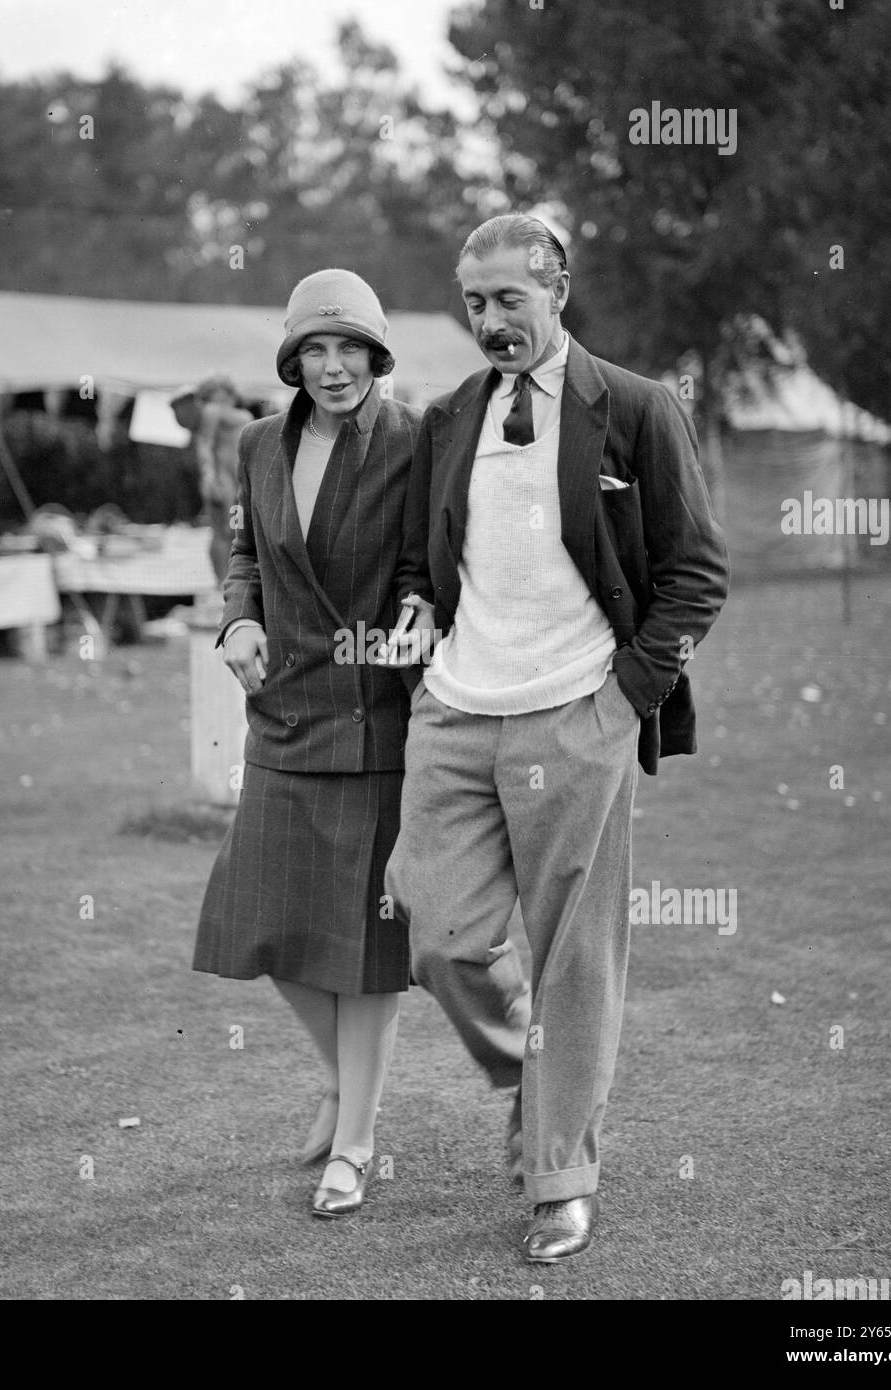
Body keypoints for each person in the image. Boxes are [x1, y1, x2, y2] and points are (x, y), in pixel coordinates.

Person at [386, 214, 730, 1262]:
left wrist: (624, 697)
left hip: (575, 713)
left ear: (558, 291)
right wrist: (410, 607)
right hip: (452, 711)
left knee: (574, 959)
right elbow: (418, 554)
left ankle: (559, 1179)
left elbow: (694, 571)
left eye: (508, 301)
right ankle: (534, 1081)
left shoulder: (632, 409)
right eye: (474, 303)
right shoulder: (448, 418)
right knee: (438, 934)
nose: (489, 322)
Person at [192, 269, 427, 1218]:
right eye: (315, 351)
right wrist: (236, 623)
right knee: (268, 924)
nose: (333, 367)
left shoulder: (416, 439)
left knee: (366, 946)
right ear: (292, 360)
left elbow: (427, 561)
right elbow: (246, 554)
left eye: (350, 349)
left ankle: (358, 1143)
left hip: (377, 709)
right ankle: (341, 1084)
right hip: (284, 708)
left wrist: (419, 608)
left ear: (376, 355)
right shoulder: (258, 442)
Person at [171, 378, 252, 585]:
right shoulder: (212, 411)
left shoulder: (226, 412)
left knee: (233, 532)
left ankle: (230, 581)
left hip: (238, 480)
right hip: (222, 479)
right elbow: (204, 445)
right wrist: (209, 477)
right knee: (225, 532)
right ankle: (223, 582)